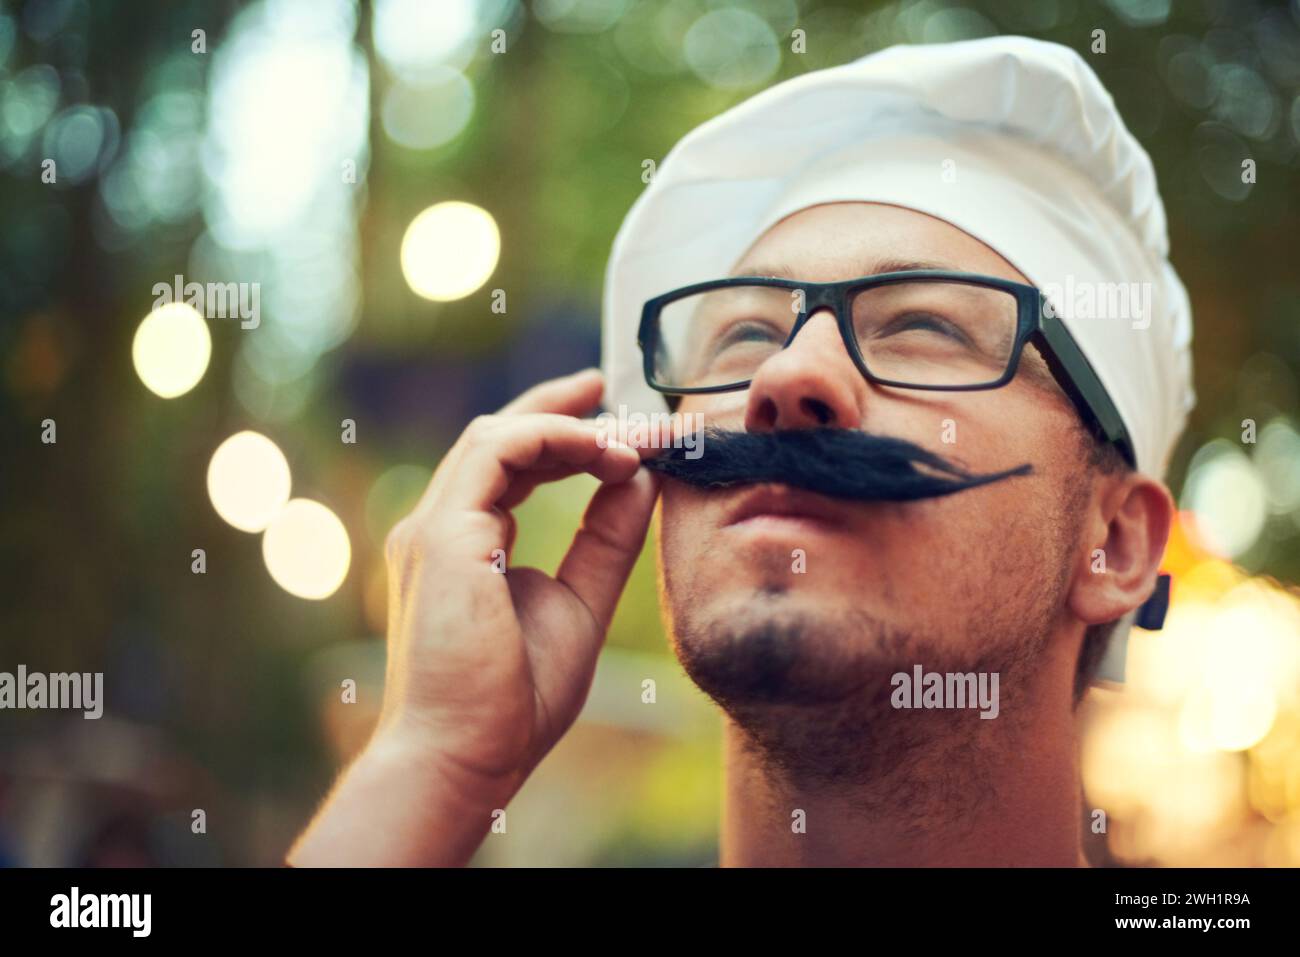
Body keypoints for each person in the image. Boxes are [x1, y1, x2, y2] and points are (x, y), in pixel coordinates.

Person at [288, 36, 1194, 867]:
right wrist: (434, 763)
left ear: (1114, 540)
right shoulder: (432, 782)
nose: (788, 375)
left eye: (922, 325)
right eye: (745, 335)